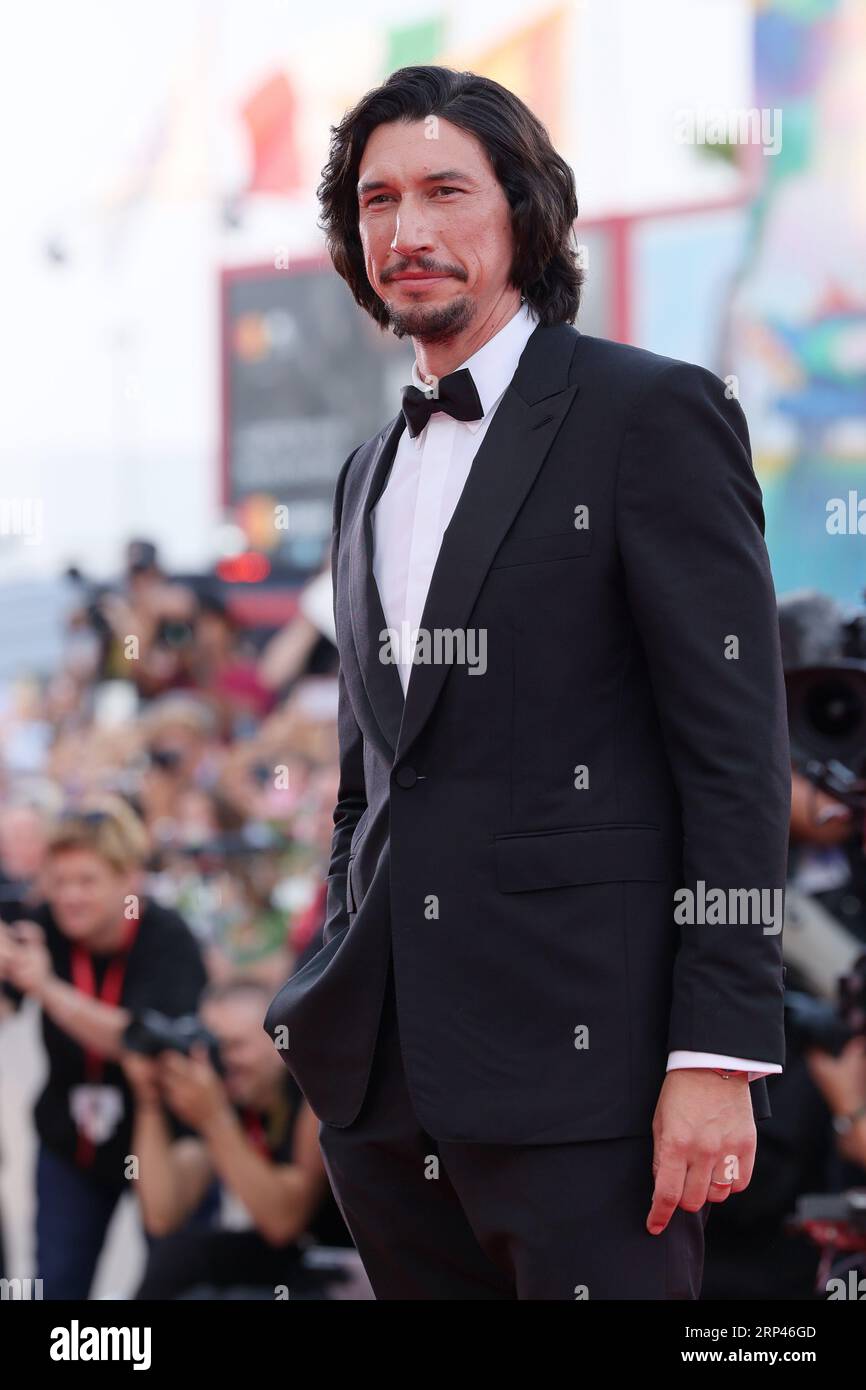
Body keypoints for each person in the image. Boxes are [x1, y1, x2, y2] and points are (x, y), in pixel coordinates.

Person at [264, 65, 791, 1300]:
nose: (408, 230)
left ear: (525, 214)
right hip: (386, 1095)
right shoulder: (364, 469)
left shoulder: (646, 411)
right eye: (378, 199)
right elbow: (369, 777)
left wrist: (716, 1052)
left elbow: (732, 755)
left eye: (447, 190)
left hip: (591, 1082)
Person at [0, 795, 208, 1298]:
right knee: (58, 1287)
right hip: (72, 1139)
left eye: (88, 881)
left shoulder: (168, 937)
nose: (70, 897)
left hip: (165, 1136)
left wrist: (46, 986)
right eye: (61, 881)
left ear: (130, 881)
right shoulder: (43, 923)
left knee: (174, 1285)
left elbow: (139, 1041)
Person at [125, 978, 352, 1299]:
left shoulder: (312, 1092)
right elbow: (163, 1215)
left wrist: (215, 1119)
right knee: (175, 1257)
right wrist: (148, 1100)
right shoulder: (227, 1093)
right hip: (298, 1257)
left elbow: (283, 1222)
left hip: (349, 1261)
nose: (222, 1060)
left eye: (236, 1046)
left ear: (278, 1044)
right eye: (212, 1045)